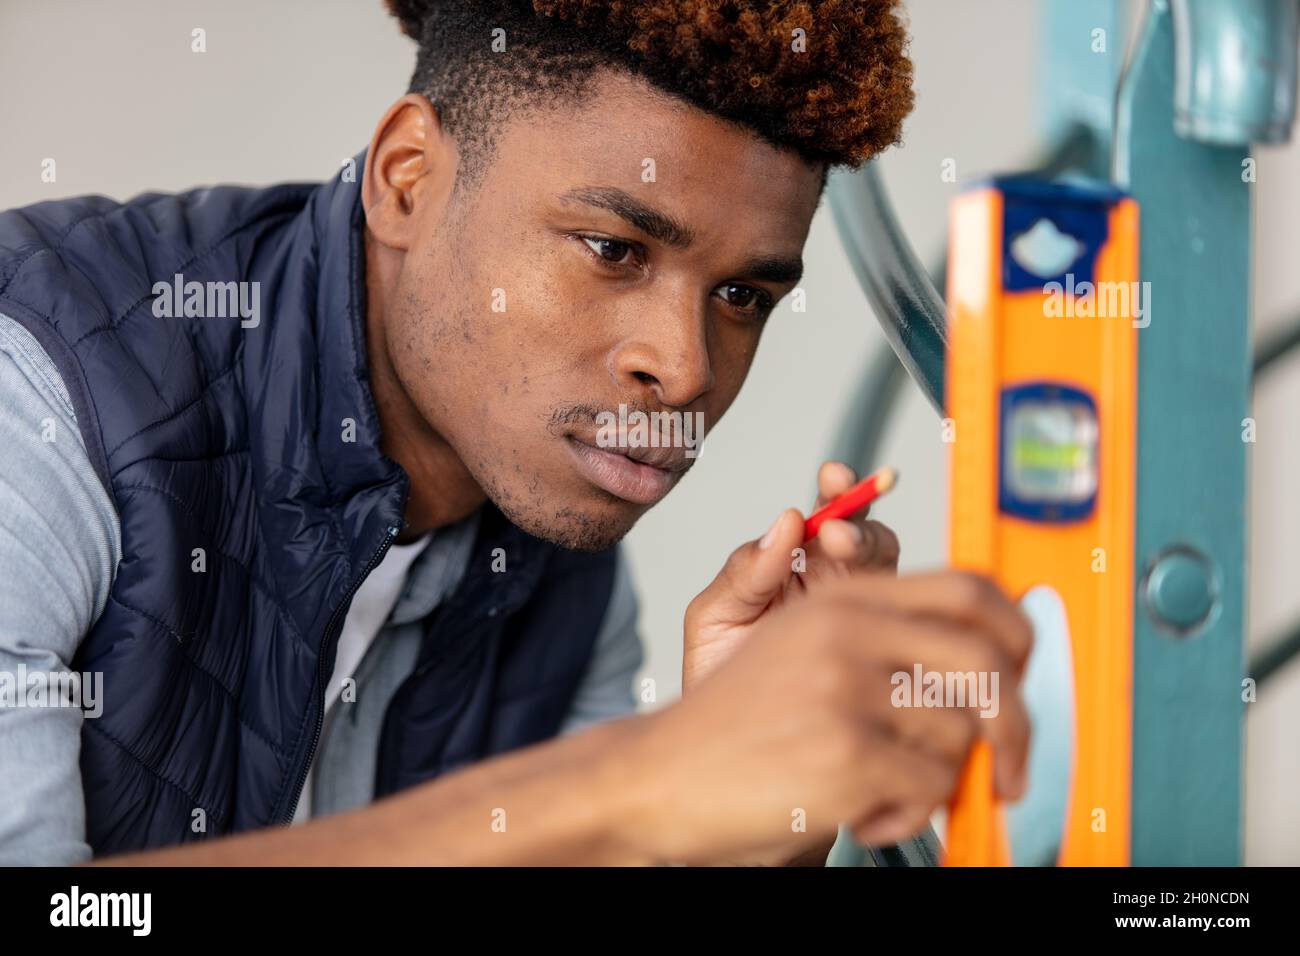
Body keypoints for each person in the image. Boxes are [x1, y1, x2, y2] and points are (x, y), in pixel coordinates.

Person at [0, 0, 1030, 865]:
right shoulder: (38, 406)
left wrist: (756, 821)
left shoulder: (555, 572)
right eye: (611, 247)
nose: (683, 367)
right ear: (407, 177)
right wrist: (644, 776)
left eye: (741, 294)